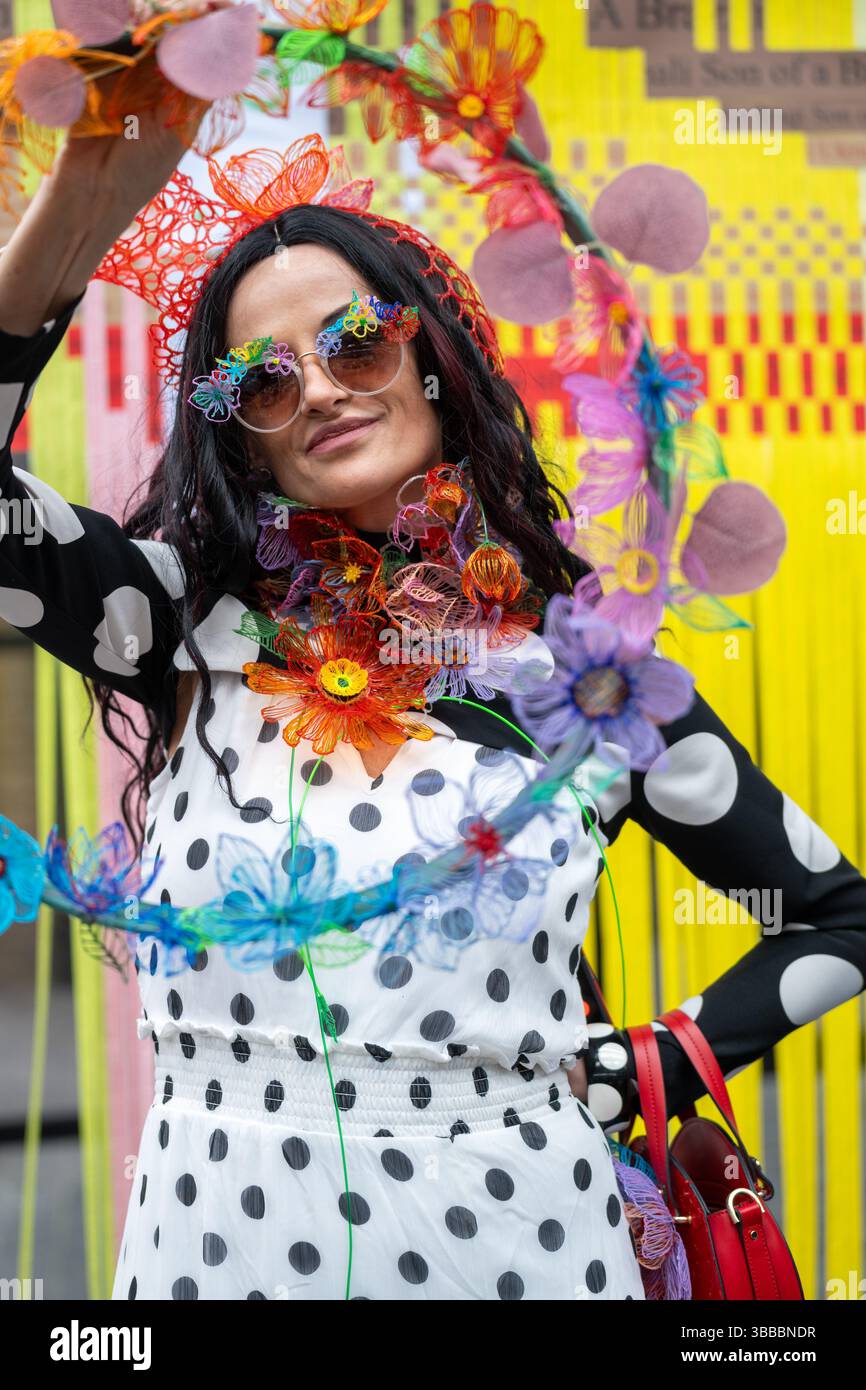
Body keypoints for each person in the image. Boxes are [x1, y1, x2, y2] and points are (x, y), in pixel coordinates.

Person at [1, 115, 864, 1304]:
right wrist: (61, 240)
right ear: (240, 444)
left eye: (355, 342)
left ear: (431, 360)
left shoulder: (584, 679)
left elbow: (835, 920)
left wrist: (639, 1069)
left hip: (515, 1246)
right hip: (211, 1249)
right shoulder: (169, 623)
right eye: (261, 380)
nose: (316, 391)